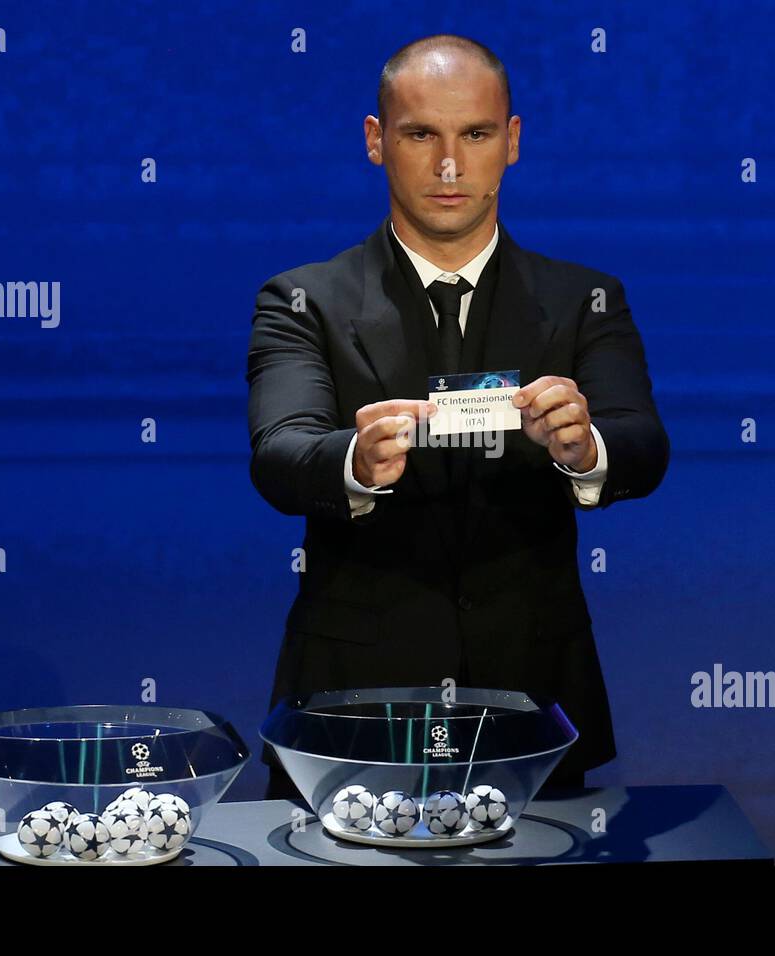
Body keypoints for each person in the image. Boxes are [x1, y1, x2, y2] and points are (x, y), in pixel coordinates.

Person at [247, 34, 669, 801]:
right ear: (377, 142)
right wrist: (354, 461)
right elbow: (280, 452)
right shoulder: (301, 300)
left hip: (534, 707)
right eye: (420, 135)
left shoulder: (585, 298)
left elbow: (642, 444)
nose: (449, 165)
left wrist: (584, 448)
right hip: (353, 710)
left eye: (474, 134)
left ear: (511, 142)